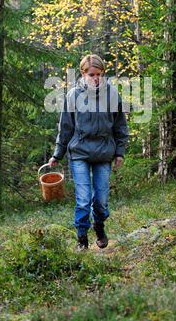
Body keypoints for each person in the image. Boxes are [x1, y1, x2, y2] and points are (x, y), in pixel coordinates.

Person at [48, 54, 129, 250]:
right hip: (79, 153)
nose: (95, 78)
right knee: (83, 199)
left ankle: (99, 226)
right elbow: (66, 127)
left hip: (104, 153)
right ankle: (82, 238)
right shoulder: (73, 95)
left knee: (100, 201)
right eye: (91, 74)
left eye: (99, 74)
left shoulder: (112, 95)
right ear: (83, 74)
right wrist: (57, 154)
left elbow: (120, 126)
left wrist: (119, 152)